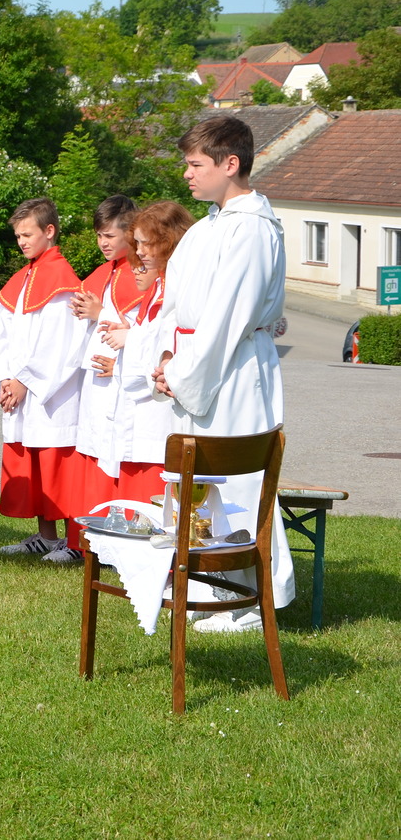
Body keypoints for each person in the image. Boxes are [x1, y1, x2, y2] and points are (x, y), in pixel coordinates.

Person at [152, 116, 296, 634]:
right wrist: (165, 361)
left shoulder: (251, 228)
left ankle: (253, 596)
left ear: (229, 164)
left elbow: (226, 318)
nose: (186, 175)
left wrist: (185, 371)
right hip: (197, 364)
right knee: (200, 480)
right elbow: (178, 307)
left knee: (237, 478)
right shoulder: (213, 223)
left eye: (195, 165)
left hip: (232, 370)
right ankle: (209, 582)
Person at [0, 198, 89, 562]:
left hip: (52, 393)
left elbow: (62, 342)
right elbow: (1, 334)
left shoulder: (62, 281)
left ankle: (74, 542)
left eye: (28, 234)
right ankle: (46, 536)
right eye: (18, 235)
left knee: (58, 462)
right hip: (21, 389)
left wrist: (25, 381)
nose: (21, 241)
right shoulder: (23, 279)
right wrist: (6, 378)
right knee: (32, 459)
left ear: (49, 231)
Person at [62, 195, 145, 561]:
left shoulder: (142, 272)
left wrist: (99, 312)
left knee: (116, 460)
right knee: (94, 456)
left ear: (131, 231)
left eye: (110, 235)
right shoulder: (105, 271)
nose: (103, 243)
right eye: (99, 235)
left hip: (123, 383)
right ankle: (91, 542)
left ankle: (117, 544)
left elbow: (145, 328)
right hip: (97, 382)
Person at [99, 200, 195, 502]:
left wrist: (132, 338)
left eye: (145, 243)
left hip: (157, 409)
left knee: (152, 496)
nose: (138, 251)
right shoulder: (157, 287)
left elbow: (168, 343)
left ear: (167, 241)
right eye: (136, 243)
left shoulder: (177, 288)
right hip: (139, 408)